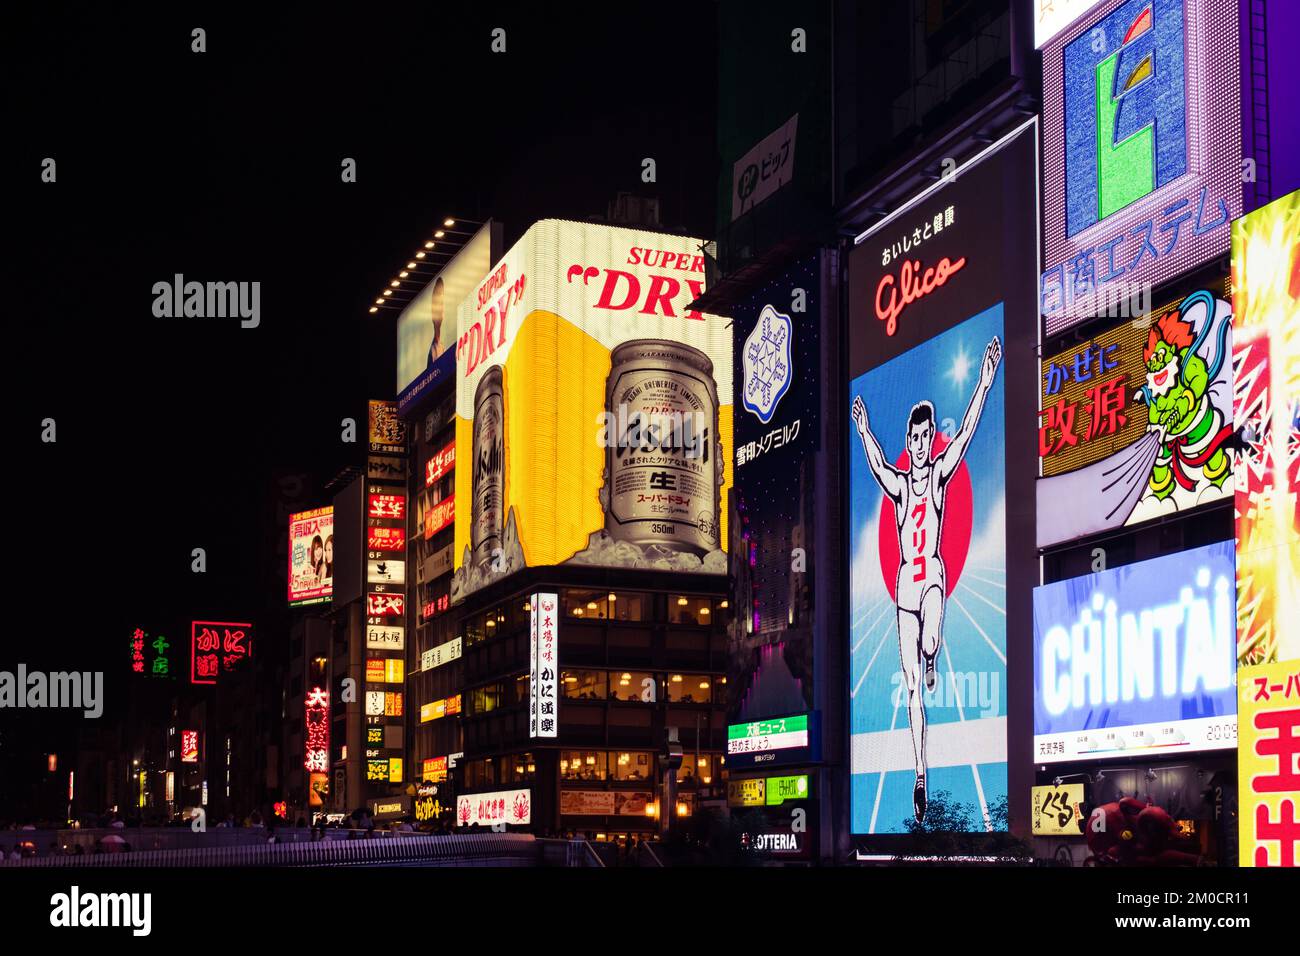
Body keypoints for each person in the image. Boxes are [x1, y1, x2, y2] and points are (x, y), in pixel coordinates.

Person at [850, 334, 1000, 825]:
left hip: (931, 576)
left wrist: (983, 381)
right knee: (913, 690)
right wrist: (864, 429)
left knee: (932, 635)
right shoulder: (897, 485)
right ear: (906, 441)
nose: (918, 446)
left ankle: (934, 652)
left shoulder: (937, 476)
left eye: (925, 436)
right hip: (903, 591)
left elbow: (970, 433)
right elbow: (874, 462)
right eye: (912, 439)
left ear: (930, 436)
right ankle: (919, 773)